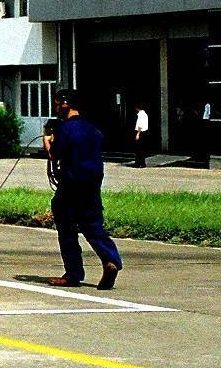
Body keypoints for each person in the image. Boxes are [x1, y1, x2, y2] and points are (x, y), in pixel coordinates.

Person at [47, 89, 123, 290]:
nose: (55, 109)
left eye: (56, 104)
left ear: (65, 104)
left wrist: (49, 142)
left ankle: (73, 274)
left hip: (71, 184)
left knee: (67, 229)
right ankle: (110, 260)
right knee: (94, 226)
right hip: (92, 184)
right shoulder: (93, 129)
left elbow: (56, 154)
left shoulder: (65, 129)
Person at [131, 102, 149, 168]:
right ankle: (142, 163)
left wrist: (137, 134)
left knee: (138, 149)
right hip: (145, 132)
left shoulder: (140, 115)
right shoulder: (145, 114)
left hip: (140, 132)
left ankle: (137, 163)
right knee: (142, 149)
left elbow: (139, 125)